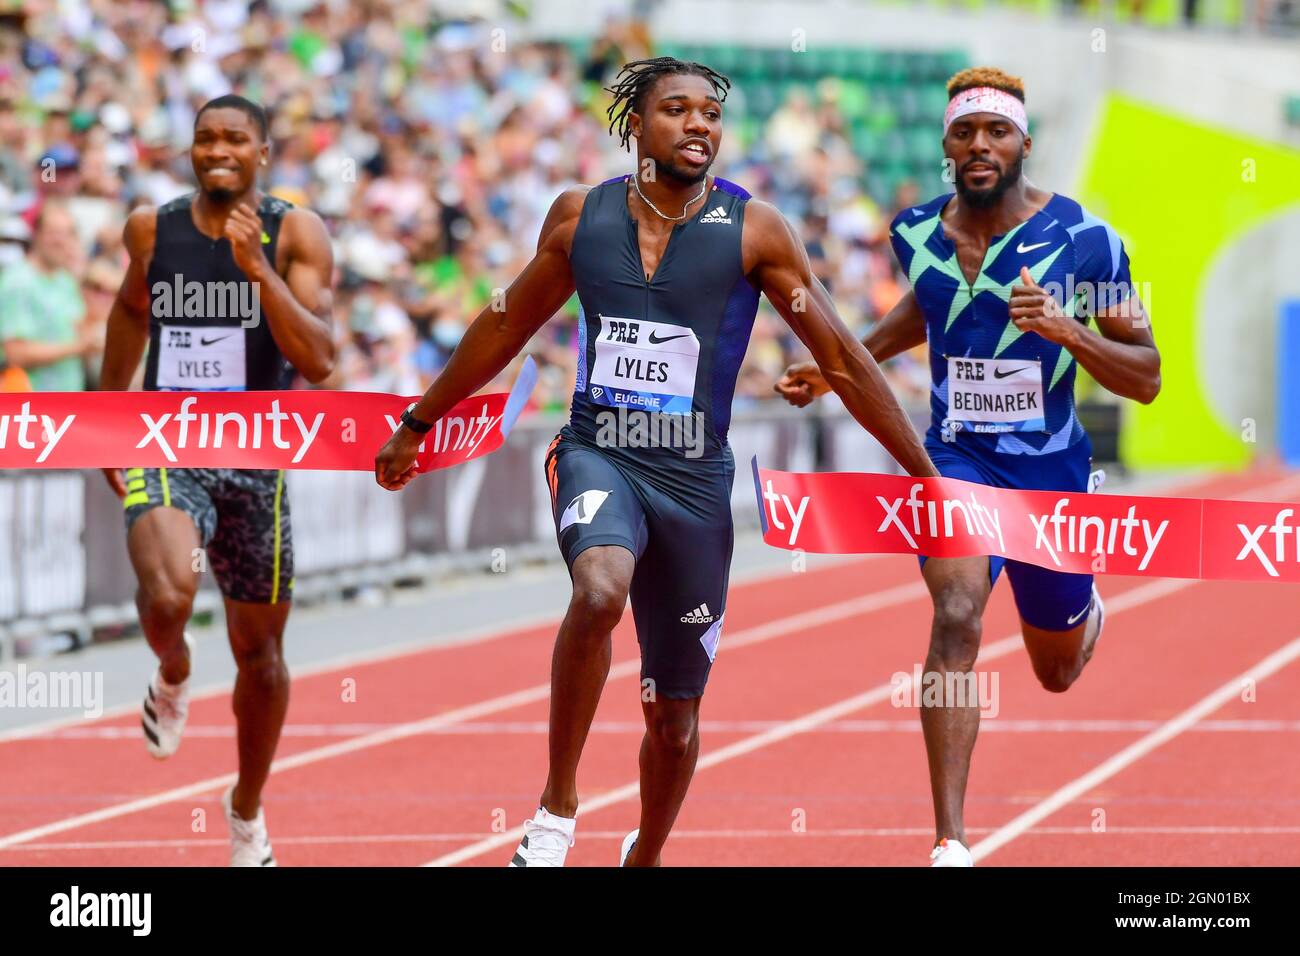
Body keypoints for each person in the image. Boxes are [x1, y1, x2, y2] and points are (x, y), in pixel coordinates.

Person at [375, 57, 937, 867]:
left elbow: (844, 357)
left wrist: (923, 473)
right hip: (597, 451)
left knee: (673, 721)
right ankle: (556, 809)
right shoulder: (579, 217)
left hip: (695, 483)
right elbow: (504, 325)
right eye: (678, 110)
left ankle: (646, 854)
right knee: (599, 587)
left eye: (711, 112)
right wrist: (419, 420)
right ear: (635, 124)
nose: (700, 124)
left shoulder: (756, 230)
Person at [776, 67, 1161, 867]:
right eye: (964, 133)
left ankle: (1080, 611)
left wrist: (1069, 332)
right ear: (946, 145)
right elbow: (928, 306)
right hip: (953, 454)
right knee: (955, 612)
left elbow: (1147, 375)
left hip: (1053, 468)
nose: (980, 146)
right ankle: (950, 838)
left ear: (1025, 142)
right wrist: (838, 362)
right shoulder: (914, 230)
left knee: (1056, 671)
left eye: (997, 132)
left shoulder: (1089, 240)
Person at [99, 94, 336, 867]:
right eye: (206, 138)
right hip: (169, 443)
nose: (218, 149)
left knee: (260, 655)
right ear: (191, 150)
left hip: (258, 463)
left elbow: (319, 356)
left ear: (263, 152)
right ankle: (171, 669)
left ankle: (246, 813)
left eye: (236, 138)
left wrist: (257, 269)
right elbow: (131, 311)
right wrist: (107, 413)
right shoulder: (151, 228)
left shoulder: (297, 231)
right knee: (169, 596)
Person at [0, 200, 97, 392]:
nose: (62, 241)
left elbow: (79, 327)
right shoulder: (17, 282)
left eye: (68, 233)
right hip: (29, 409)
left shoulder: (65, 279)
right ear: (36, 234)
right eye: (54, 233)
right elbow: (16, 354)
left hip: (68, 405)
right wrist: (79, 347)